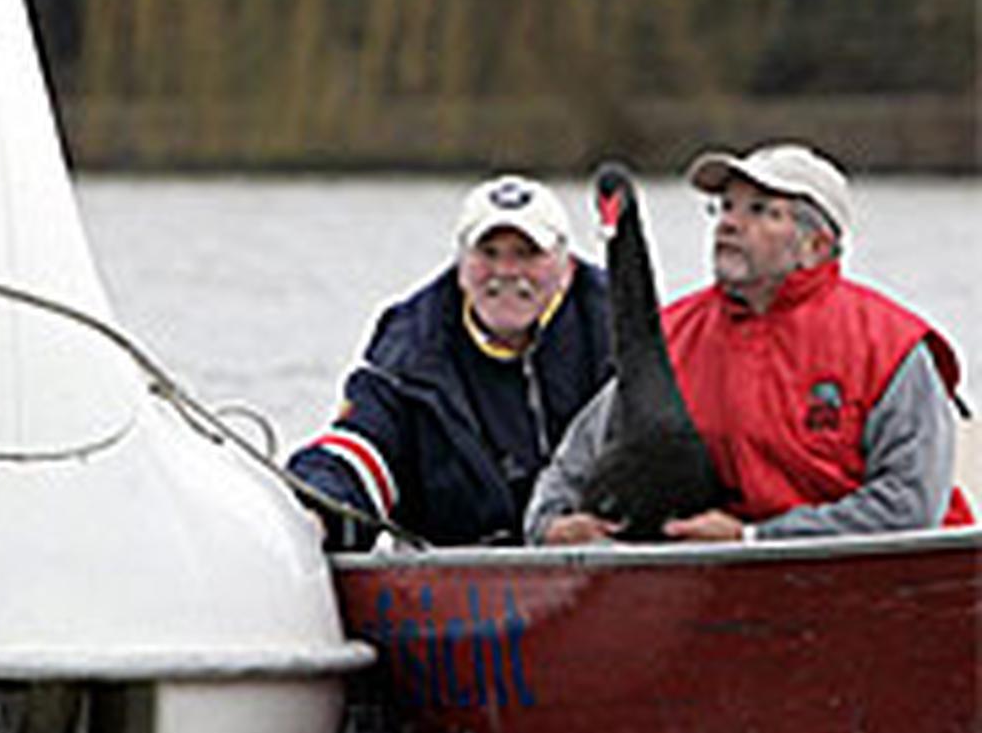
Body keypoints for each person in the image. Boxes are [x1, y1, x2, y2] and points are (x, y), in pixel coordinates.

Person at [526, 142, 973, 545]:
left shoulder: (890, 346)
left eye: (760, 210)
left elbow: (912, 508)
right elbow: (573, 463)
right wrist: (550, 526)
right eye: (724, 208)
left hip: (891, 588)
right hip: (728, 590)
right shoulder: (673, 337)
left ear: (816, 246)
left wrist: (756, 538)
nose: (730, 225)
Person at [288, 173, 612, 549]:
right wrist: (312, 515)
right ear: (460, 264)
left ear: (566, 266)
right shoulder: (410, 347)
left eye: (527, 254)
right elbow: (361, 447)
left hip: (606, 564)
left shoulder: (622, 329)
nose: (506, 272)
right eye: (488, 254)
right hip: (458, 576)